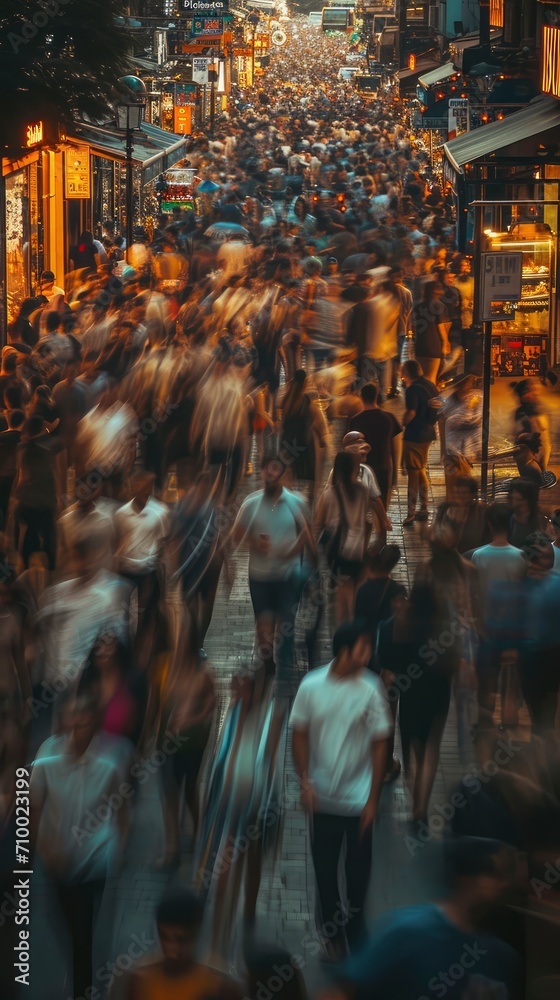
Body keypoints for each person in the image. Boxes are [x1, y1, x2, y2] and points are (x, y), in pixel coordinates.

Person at [290, 619, 392, 959]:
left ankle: (356, 925)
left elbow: (380, 742)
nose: (368, 654)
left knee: (358, 871)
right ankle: (332, 932)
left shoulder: (371, 688)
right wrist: (305, 782)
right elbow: (299, 734)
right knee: (324, 871)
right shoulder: (311, 686)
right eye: (363, 647)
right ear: (344, 651)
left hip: (359, 800)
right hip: (322, 800)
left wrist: (374, 798)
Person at [331, 837, 521, 1000]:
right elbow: (340, 993)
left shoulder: (505, 957)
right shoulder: (405, 933)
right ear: (468, 879)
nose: (506, 885)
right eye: (498, 876)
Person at [30, 694, 127, 1000]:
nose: (77, 726)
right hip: (60, 863)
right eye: (73, 719)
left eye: (84, 720)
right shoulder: (46, 760)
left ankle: (81, 989)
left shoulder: (108, 765)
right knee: (72, 929)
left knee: (83, 932)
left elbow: (120, 809)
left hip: (94, 861)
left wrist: (118, 848)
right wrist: (46, 850)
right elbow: (32, 811)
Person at [232, 451, 312, 683]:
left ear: (284, 475)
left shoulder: (297, 503)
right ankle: (268, 662)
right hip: (260, 576)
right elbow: (236, 535)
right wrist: (255, 543)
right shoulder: (251, 504)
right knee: (264, 625)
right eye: (266, 468)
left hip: (288, 576)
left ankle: (283, 659)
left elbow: (307, 534)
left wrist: (292, 551)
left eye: (275, 468)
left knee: (284, 622)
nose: (270, 473)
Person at [125, 887, 240, 1000]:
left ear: (197, 935)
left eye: (182, 940)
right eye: (165, 938)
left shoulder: (219, 987)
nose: (172, 950)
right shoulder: (141, 981)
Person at [315, 451, 372, 624]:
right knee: (355, 593)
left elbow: (318, 523)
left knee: (341, 600)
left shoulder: (329, 495)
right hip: (359, 550)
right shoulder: (363, 491)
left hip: (339, 552)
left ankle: (343, 641)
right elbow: (367, 521)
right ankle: (354, 634)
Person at [348, 382, 402, 509]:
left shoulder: (355, 420)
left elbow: (350, 447)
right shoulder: (389, 418)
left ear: (361, 397)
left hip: (362, 468)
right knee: (382, 507)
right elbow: (395, 447)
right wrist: (394, 474)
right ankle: (381, 528)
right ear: (376, 396)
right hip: (384, 466)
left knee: (364, 507)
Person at [401, 359, 440, 526]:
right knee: (421, 469)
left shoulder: (413, 389)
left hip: (415, 435)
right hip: (428, 433)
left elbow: (411, 412)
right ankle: (424, 508)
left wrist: (403, 422)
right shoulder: (430, 385)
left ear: (407, 373)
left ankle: (411, 513)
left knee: (413, 474)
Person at [279, 369, 328, 502]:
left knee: (288, 478)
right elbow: (317, 422)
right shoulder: (306, 401)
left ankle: (288, 505)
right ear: (305, 382)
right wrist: (323, 440)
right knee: (312, 480)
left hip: (287, 444)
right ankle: (308, 510)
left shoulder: (286, 399)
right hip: (304, 444)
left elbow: (281, 422)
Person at [412, 279, 451, 384]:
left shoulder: (417, 306)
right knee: (431, 379)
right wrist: (446, 342)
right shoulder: (439, 306)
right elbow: (441, 326)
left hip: (420, 346)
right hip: (434, 345)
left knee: (421, 377)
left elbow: (413, 326)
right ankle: (430, 398)